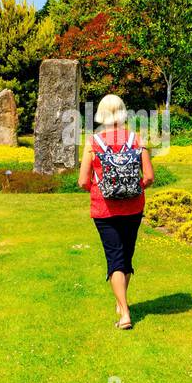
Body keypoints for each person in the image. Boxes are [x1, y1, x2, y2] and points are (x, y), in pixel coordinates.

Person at [78, 94, 155, 330]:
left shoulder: (93, 142)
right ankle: (121, 303)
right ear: (123, 112)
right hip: (133, 208)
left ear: (100, 113)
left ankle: (125, 313)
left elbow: (83, 181)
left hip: (104, 210)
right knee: (126, 257)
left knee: (115, 259)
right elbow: (149, 177)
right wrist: (133, 189)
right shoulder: (136, 139)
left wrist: (102, 190)